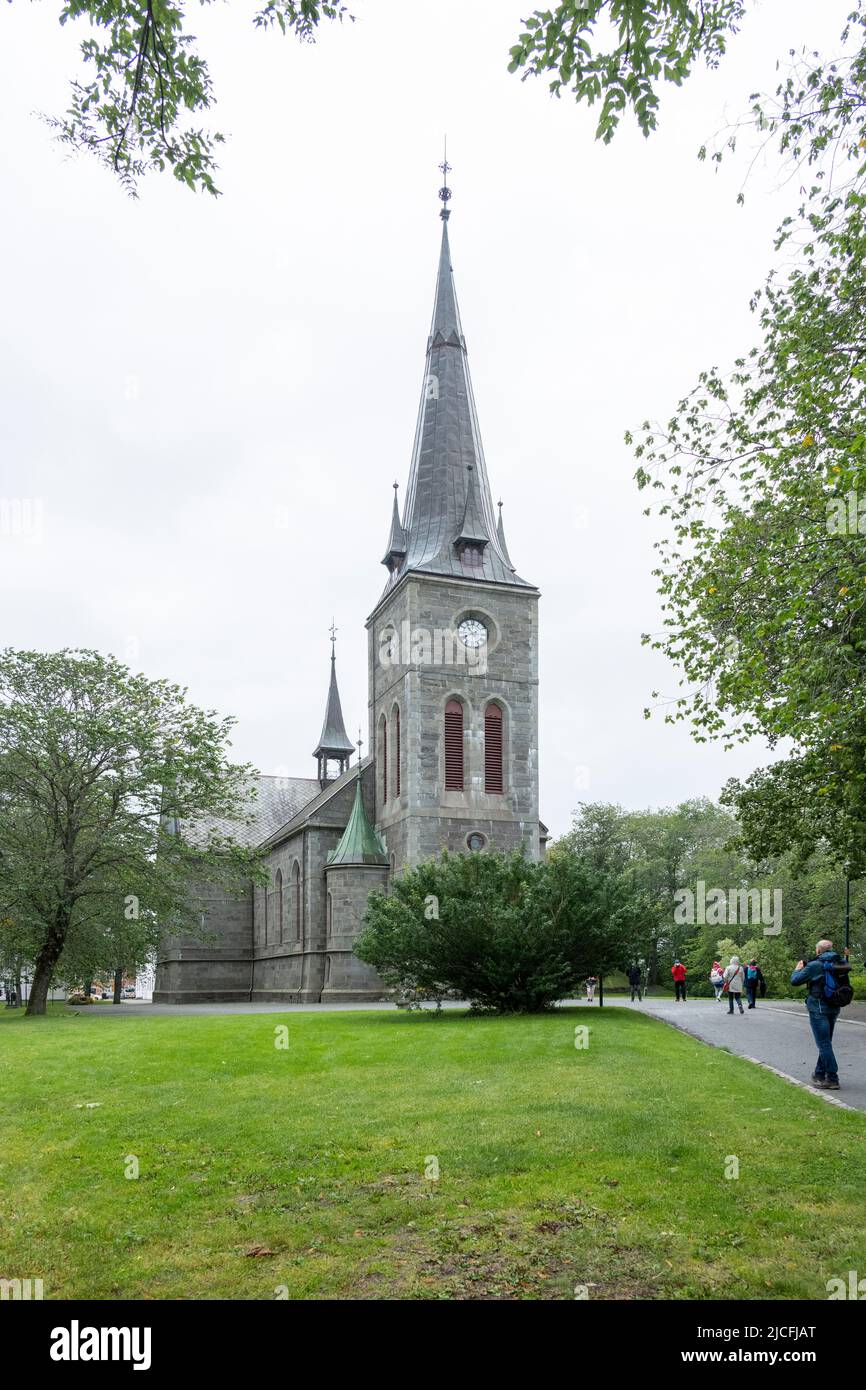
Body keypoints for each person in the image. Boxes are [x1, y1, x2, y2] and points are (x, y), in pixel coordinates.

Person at [790, 939, 851, 1091]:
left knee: (824, 1044)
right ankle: (819, 1074)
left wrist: (797, 969)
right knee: (826, 1042)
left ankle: (832, 1078)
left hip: (818, 1008)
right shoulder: (841, 962)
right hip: (835, 1007)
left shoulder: (815, 965)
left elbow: (795, 981)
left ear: (818, 950)